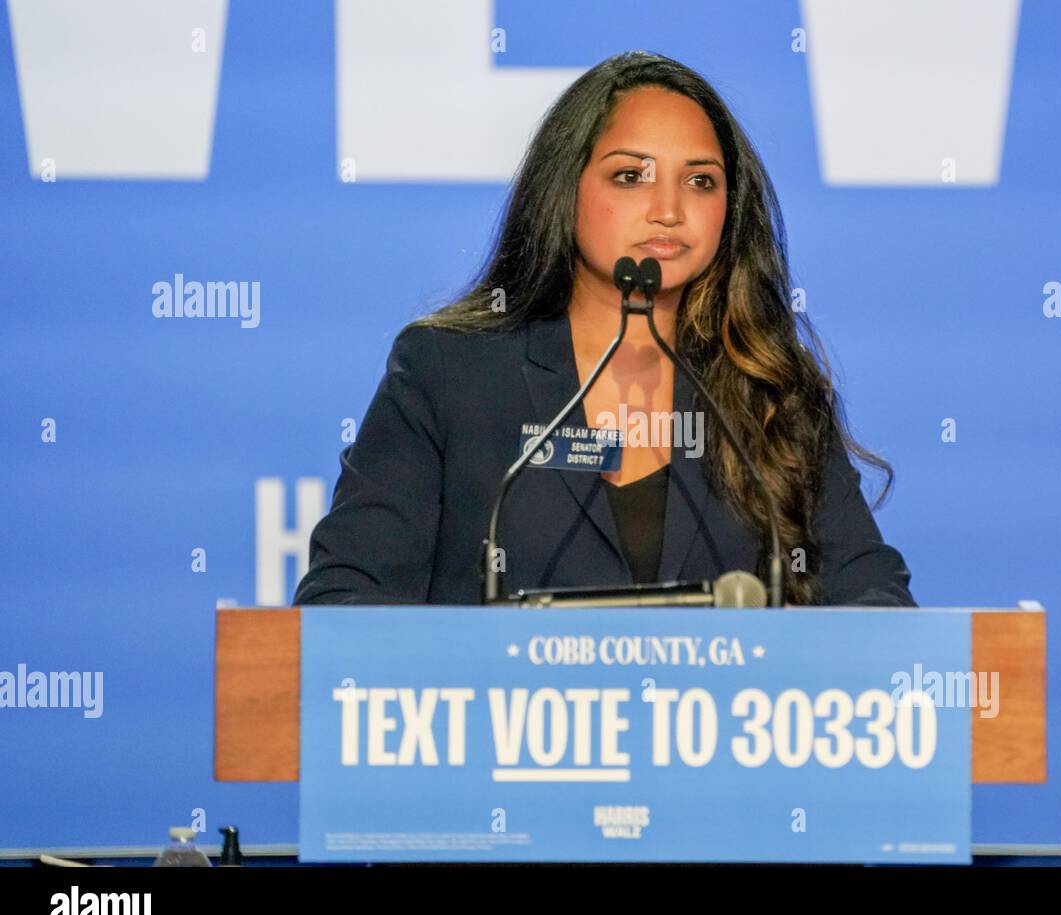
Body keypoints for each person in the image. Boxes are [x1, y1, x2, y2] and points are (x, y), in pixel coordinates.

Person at [294, 51, 915, 608]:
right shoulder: (448, 373)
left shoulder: (771, 390)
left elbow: (873, 596)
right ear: (566, 189)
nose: (668, 209)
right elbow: (344, 600)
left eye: (701, 181)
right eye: (630, 175)